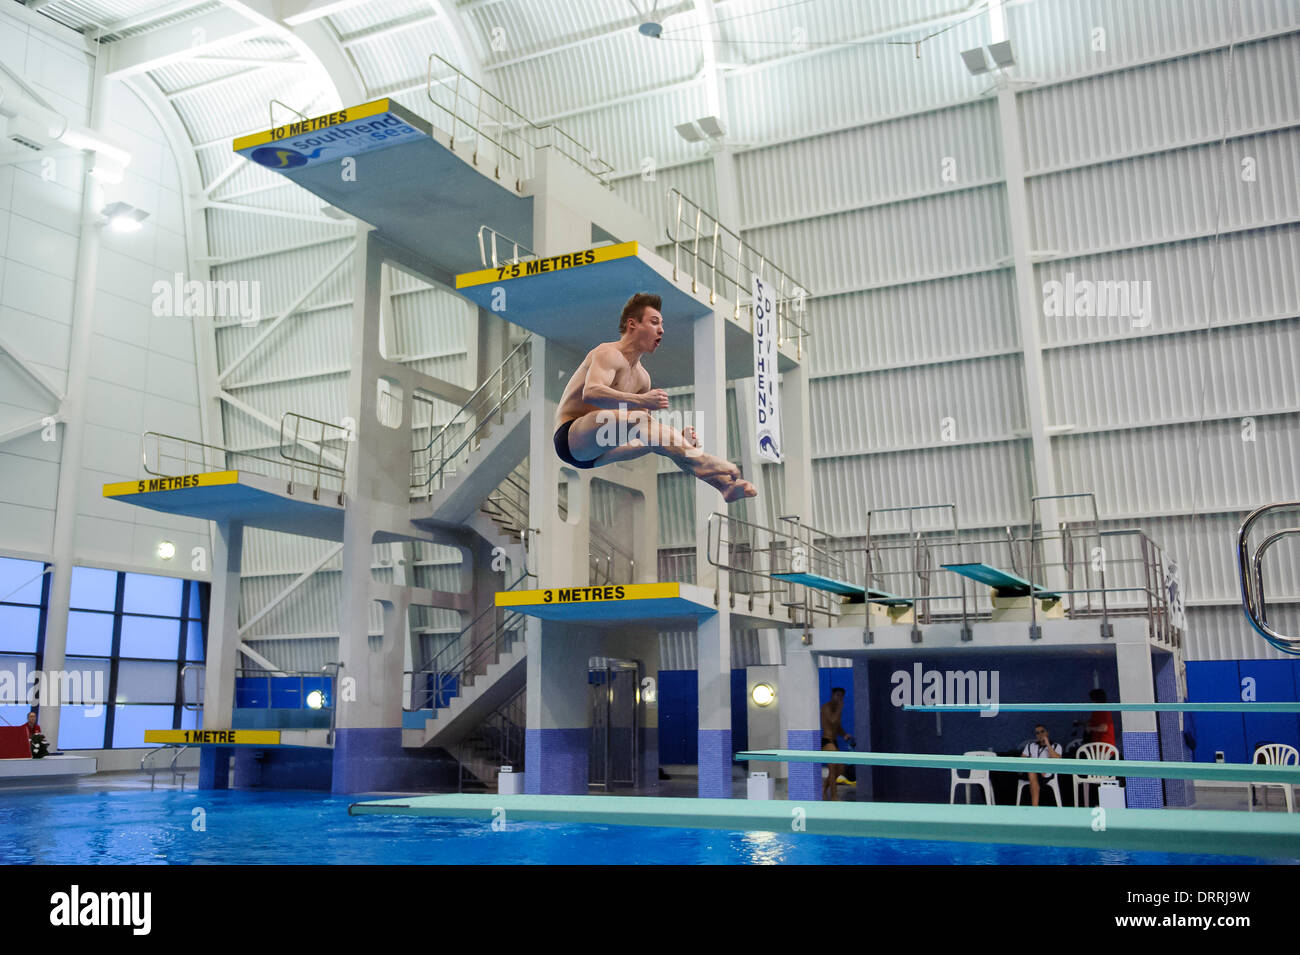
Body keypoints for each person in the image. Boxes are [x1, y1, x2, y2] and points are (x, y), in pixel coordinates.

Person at [553, 292, 757, 502]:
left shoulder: (643, 378)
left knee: (665, 444)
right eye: (654, 322)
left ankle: (724, 486)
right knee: (641, 420)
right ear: (632, 325)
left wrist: (680, 440)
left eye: (661, 324)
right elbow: (592, 392)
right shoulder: (607, 353)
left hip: (597, 454)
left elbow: (645, 432)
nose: (661, 330)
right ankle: (704, 460)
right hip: (571, 437)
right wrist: (642, 401)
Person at [820, 687, 855, 801]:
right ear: (833, 695)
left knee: (841, 769)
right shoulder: (826, 707)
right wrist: (840, 708)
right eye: (838, 695)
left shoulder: (836, 709)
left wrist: (844, 734)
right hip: (827, 741)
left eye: (842, 696)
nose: (840, 698)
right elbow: (832, 721)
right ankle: (834, 796)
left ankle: (824, 789)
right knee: (833, 767)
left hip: (834, 742)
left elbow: (837, 726)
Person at [1020, 723, 1062, 806]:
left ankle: (1034, 808)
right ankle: (1035, 808)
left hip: (1047, 774)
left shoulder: (1056, 746)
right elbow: (1022, 759)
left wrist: (1047, 744)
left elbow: (1057, 760)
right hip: (1031, 772)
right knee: (1032, 771)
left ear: (1047, 733)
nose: (1040, 734)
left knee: (1033, 772)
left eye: (1042, 731)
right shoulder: (1031, 745)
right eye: (1037, 733)